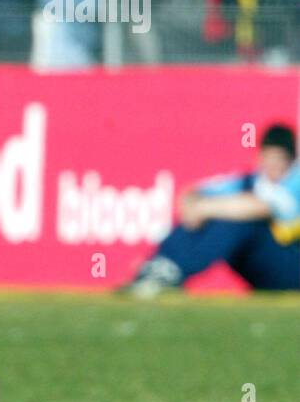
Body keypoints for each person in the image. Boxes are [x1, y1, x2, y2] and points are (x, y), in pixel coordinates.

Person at [123, 123, 300, 296]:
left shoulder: (295, 182)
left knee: (238, 220)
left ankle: (172, 273)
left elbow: (261, 207)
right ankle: (161, 265)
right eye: (269, 157)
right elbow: (192, 193)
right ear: (259, 156)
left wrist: (205, 208)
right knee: (221, 214)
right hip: (264, 268)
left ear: (291, 160)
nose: (273, 165)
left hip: (291, 268)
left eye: (279, 158)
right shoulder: (251, 181)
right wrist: (194, 206)